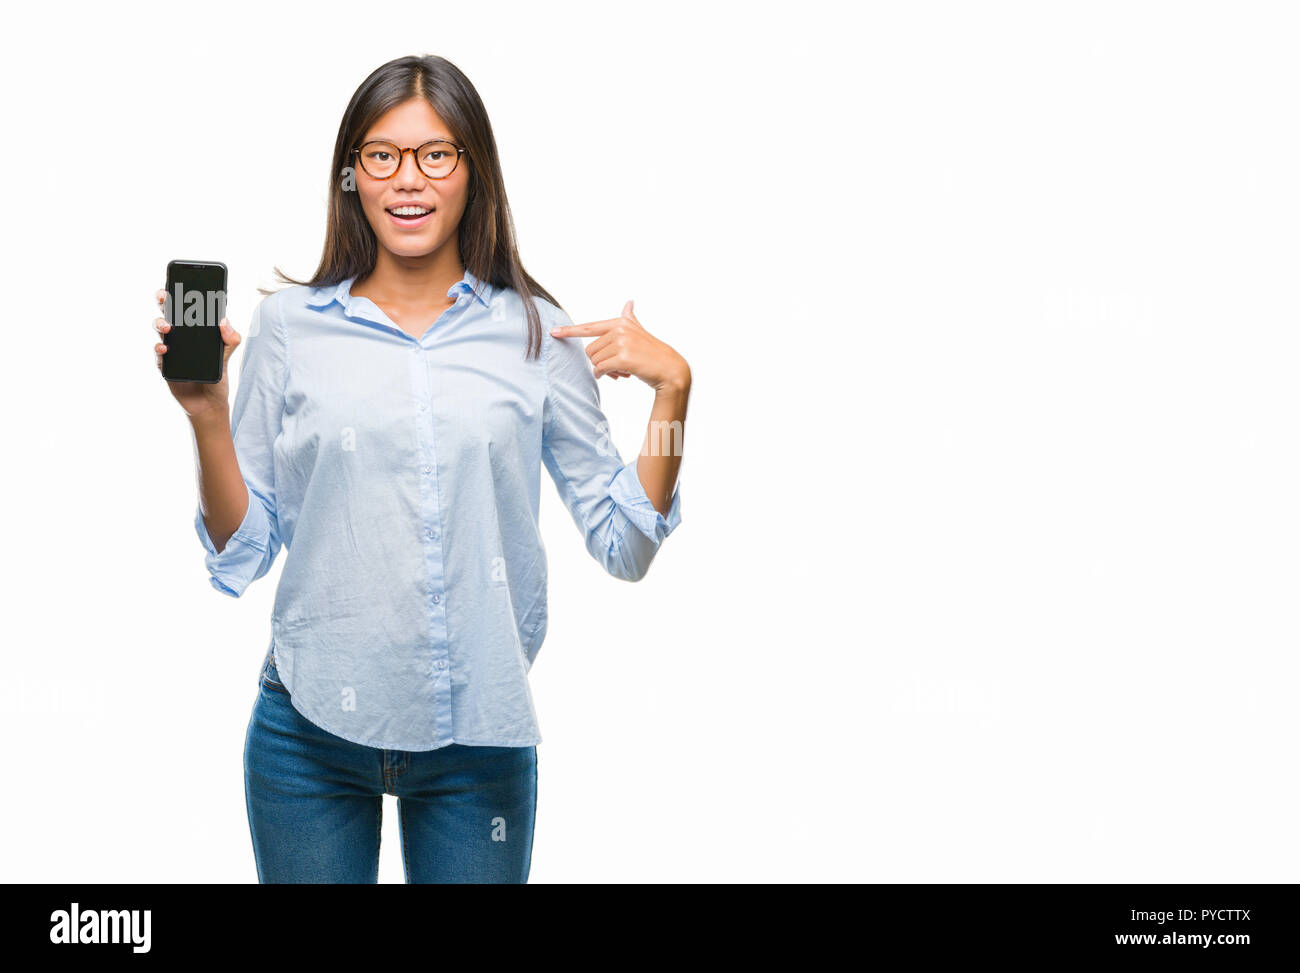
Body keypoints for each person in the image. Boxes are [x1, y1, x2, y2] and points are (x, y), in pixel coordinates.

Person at [151, 54, 689, 883]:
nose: (409, 180)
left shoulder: (535, 331)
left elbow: (626, 542)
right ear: (351, 177)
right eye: (382, 155)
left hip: (480, 741)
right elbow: (244, 551)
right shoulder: (290, 327)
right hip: (308, 737)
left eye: (436, 154)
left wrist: (671, 397)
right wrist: (207, 418)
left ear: (474, 171)